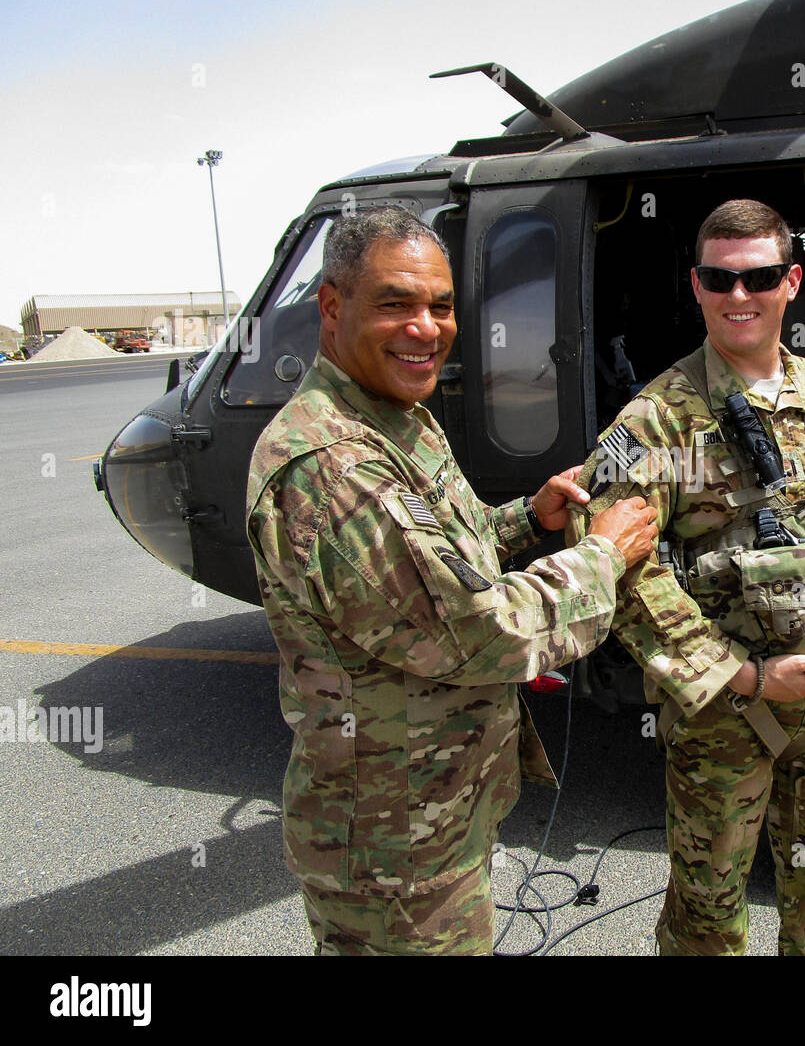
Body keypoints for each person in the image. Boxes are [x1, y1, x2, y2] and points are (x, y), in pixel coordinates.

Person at [246, 207, 657, 955]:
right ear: (333, 307)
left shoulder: (396, 415)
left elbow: (438, 562)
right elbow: (474, 632)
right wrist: (604, 553)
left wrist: (527, 519)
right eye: (395, 303)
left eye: (439, 306)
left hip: (434, 812)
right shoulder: (334, 466)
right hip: (390, 846)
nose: (425, 328)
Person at [568, 199, 805, 955]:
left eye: (760, 277)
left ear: (792, 281)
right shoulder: (654, 422)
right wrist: (741, 674)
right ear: (698, 286)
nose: (741, 296)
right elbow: (617, 572)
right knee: (707, 920)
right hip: (725, 723)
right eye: (720, 279)